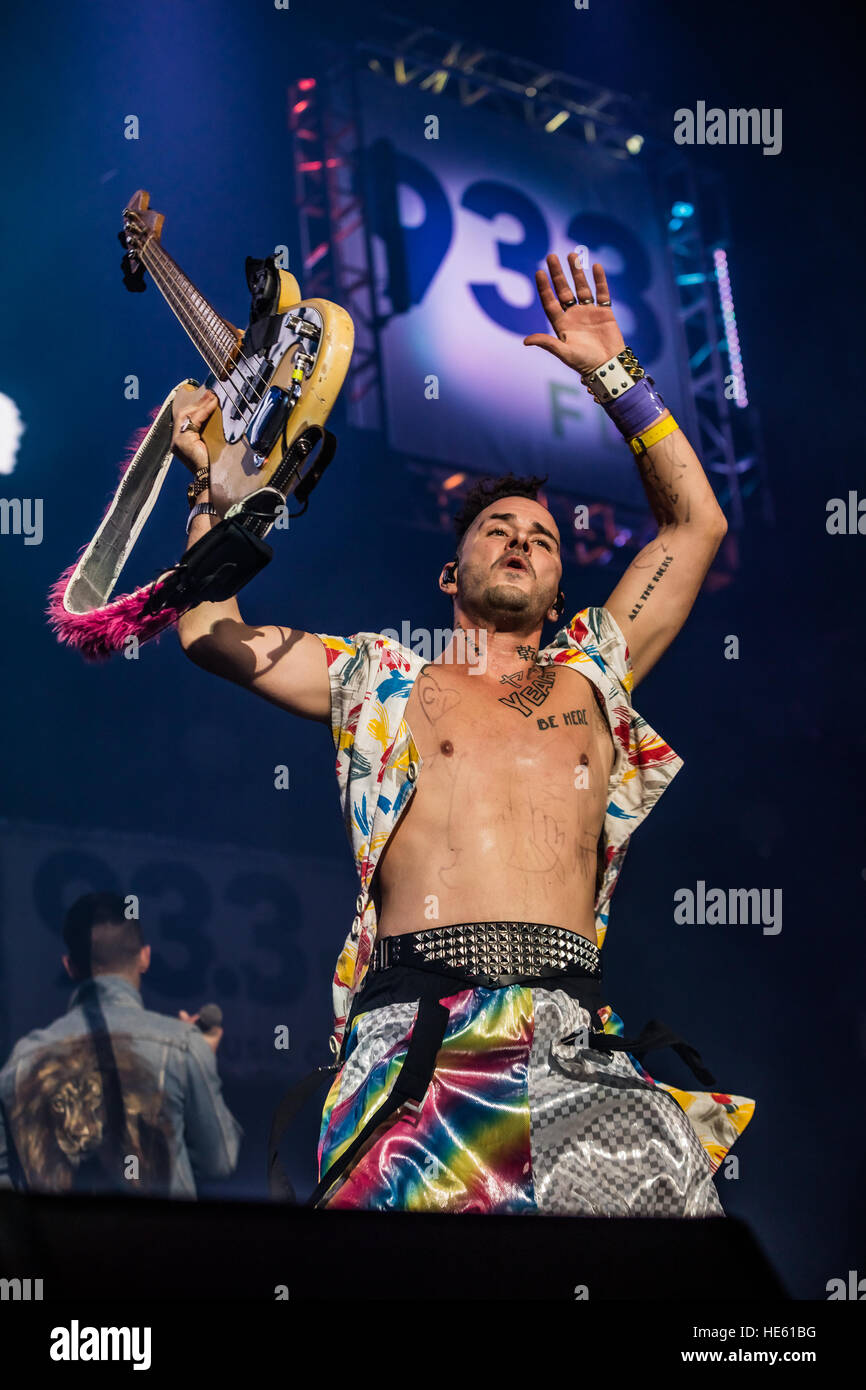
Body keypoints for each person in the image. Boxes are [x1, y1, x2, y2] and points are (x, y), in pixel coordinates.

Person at [173, 254, 754, 1214]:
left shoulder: (592, 676)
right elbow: (208, 630)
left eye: (542, 535)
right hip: (416, 1043)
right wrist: (212, 487)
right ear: (451, 576)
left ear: (562, 586)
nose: (522, 540)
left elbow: (694, 525)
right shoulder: (382, 678)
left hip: (577, 1049)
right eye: (496, 530)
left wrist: (616, 375)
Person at [0, 892, 242, 1197]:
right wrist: (198, 1057)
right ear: (145, 957)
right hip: (161, 1242)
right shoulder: (182, 1047)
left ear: (70, 966)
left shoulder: (21, 1061)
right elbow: (219, 1161)